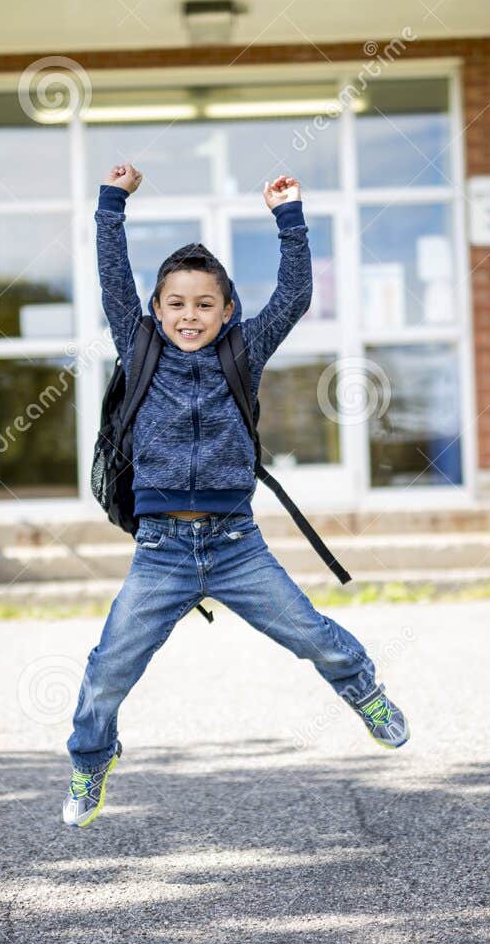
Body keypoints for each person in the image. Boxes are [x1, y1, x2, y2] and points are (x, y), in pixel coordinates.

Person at [61, 162, 410, 829]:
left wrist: (290, 218)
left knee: (312, 633)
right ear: (157, 311)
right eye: (176, 304)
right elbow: (111, 275)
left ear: (226, 313)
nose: (189, 315)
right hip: (161, 551)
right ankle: (90, 758)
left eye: (203, 305)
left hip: (233, 545)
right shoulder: (140, 351)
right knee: (108, 670)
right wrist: (112, 203)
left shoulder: (242, 353)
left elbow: (296, 294)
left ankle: (365, 692)